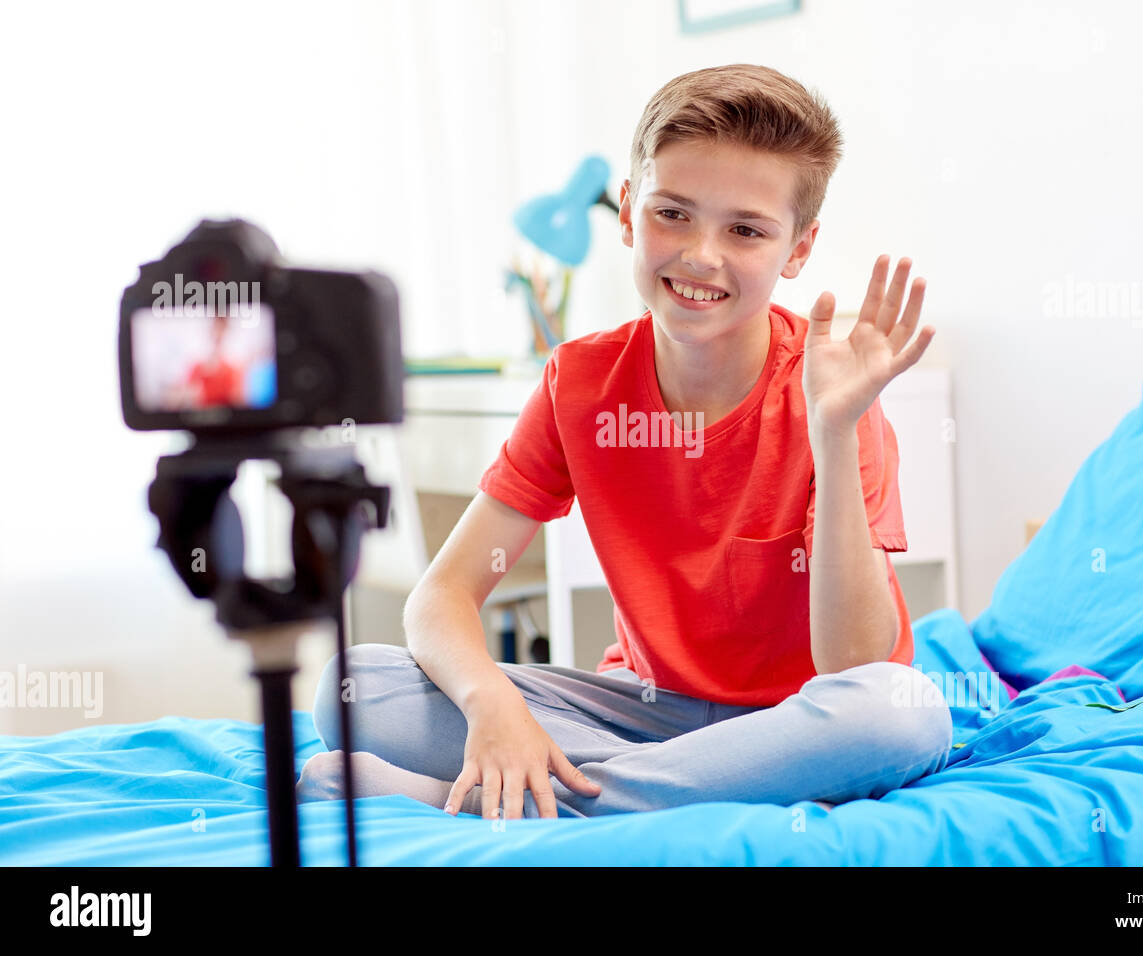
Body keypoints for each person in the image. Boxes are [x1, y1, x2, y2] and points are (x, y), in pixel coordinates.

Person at [298, 63, 952, 820]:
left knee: (903, 710)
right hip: (636, 712)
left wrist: (834, 434)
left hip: (796, 721)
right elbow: (441, 596)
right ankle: (642, 784)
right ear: (629, 220)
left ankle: (499, 800)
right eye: (674, 213)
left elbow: (856, 666)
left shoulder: (833, 392)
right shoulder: (578, 383)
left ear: (797, 251)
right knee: (351, 686)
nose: (702, 254)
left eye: (745, 229)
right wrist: (493, 709)